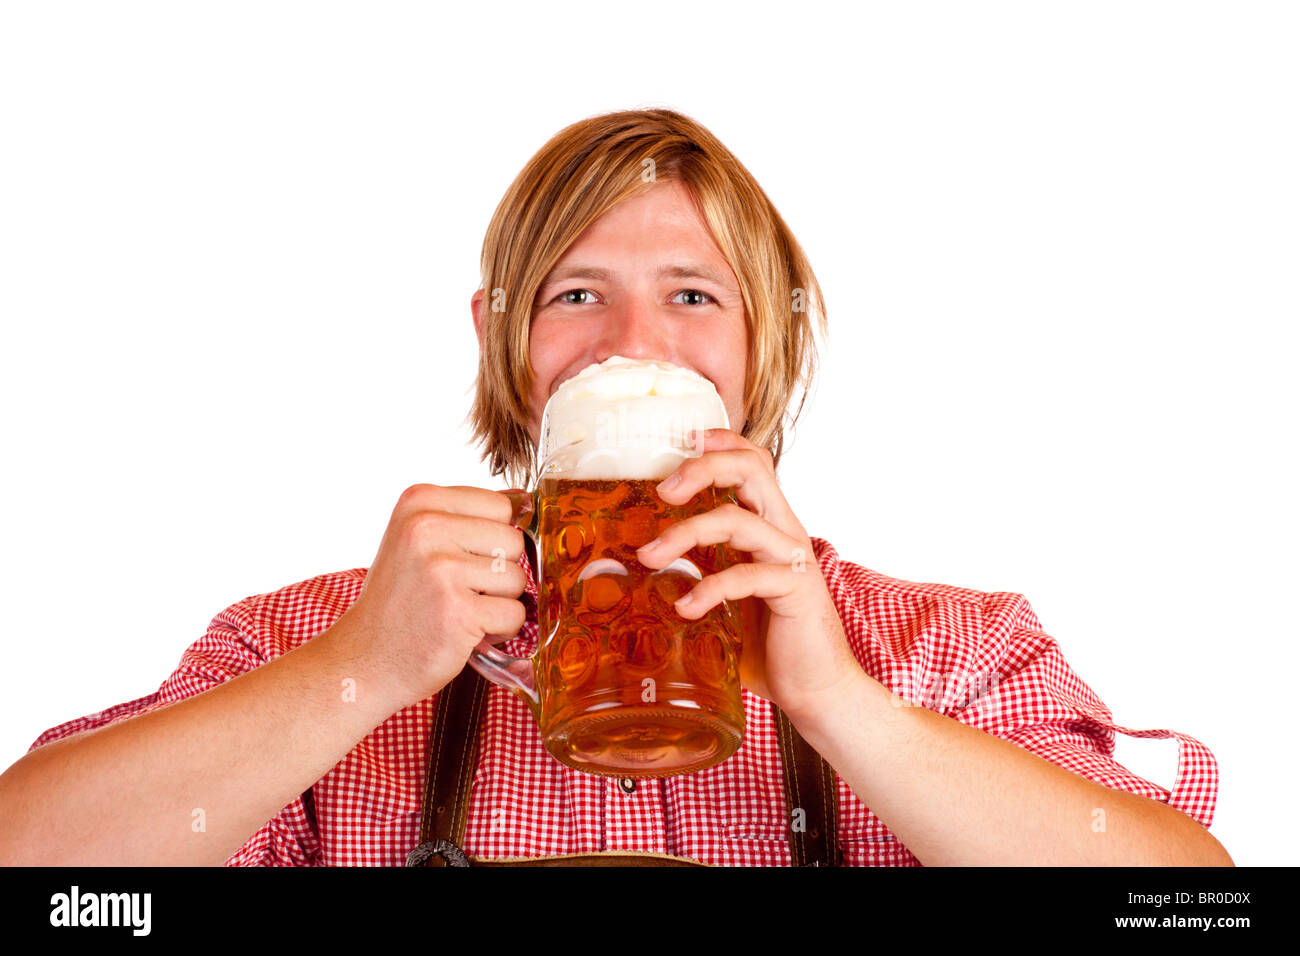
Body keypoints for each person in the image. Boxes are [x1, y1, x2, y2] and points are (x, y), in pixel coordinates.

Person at [0, 108, 1232, 866]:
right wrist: (362, 670)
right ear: (499, 337)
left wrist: (843, 703)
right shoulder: (308, 641)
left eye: (692, 295)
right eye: (575, 292)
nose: (632, 343)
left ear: (766, 345)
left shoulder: (946, 649)